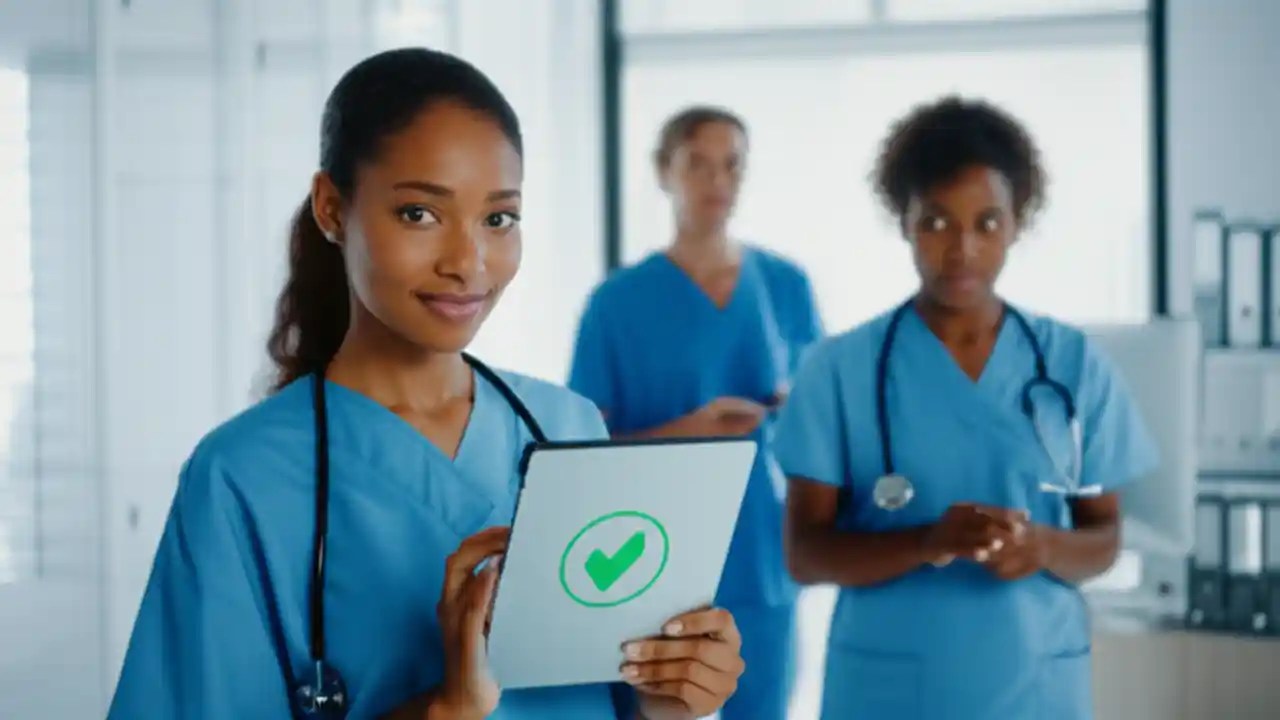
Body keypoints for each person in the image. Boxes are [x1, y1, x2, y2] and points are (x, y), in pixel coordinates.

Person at [107, 49, 745, 720]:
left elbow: (623, 698)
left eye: (498, 219)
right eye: (419, 213)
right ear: (331, 207)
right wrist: (444, 711)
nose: (468, 264)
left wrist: (672, 697)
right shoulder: (243, 477)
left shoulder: (568, 427)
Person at [773, 96, 1158, 719]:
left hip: (1036, 685)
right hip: (889, 693)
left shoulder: (1071, 365)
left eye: (986, 222)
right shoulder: (838, 370)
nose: (962, 250)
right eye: (937, 221)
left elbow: (1103, 536)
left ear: (1016, 223)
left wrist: (1042, 547)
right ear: (904, 221)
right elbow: (805, 554)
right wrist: (926, 539)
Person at [568, 106, 823, 720]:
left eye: (732, 165)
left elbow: (823, 422)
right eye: (698, 164)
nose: (718, 181)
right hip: (650, 549)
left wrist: (797, 408)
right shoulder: (617, 303)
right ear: (664, 172)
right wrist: (684, 433)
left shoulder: (785, 284)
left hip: (759, 545)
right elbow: (577, 453)